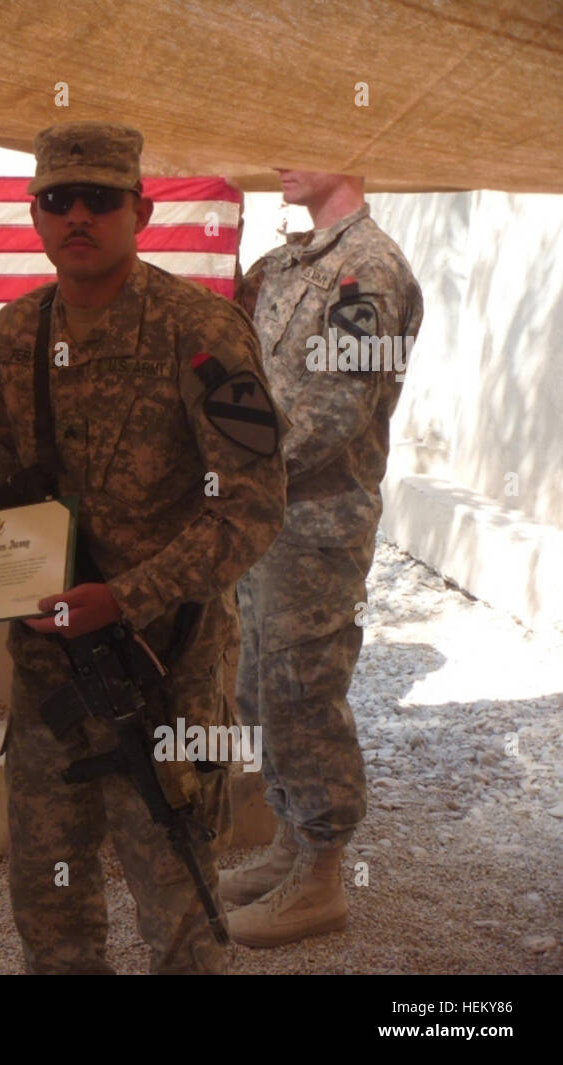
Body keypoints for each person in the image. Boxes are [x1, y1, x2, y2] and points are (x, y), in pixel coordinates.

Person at [0, 122, 288, 973]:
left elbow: (251, 507)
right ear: (35, 214)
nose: (79, 217)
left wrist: (126, 596)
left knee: (177, 899)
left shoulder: (200, 335)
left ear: (141, 207)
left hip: (166, 667)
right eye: (58, 200)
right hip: (52, 672)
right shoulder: (16, 333)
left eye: (100, 199)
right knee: (49, 899)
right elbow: (9, 470)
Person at [223, 170, 423, 947]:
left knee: (304, 688)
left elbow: (336, 409)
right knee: (260, 687)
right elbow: (227, 347)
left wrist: (235, 470)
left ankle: (322, 876)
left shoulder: (365, 269)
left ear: (352, 151)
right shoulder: (283, 265)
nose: (280, 160)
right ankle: (288, 842)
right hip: (263, 515)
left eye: (300, 137)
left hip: (317, 521)